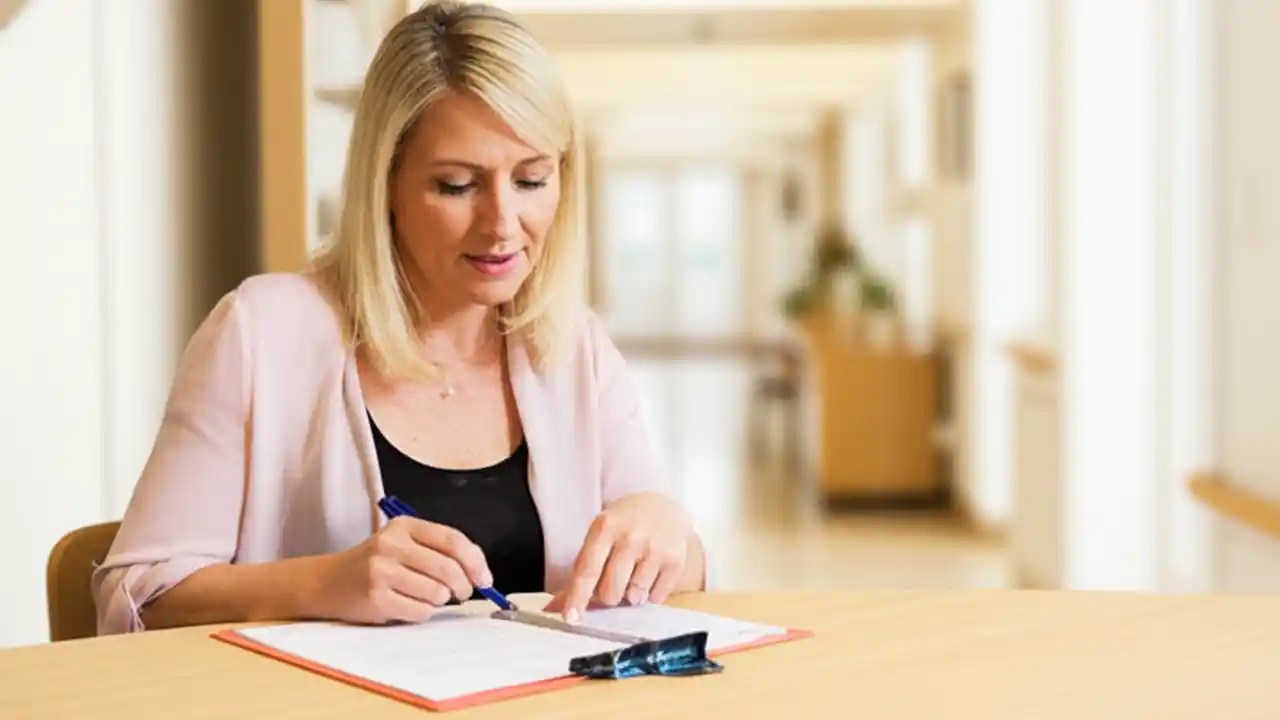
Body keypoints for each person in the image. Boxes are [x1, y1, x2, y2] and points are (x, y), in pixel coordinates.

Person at [91, 0, 706, 635]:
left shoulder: (576, 347)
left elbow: (679, 565)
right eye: (457, 185)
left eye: (530, 180)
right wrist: (325, 582)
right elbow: (136, 596)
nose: (502, 225)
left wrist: (666, 529)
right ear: (385, 182)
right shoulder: (261, 332)